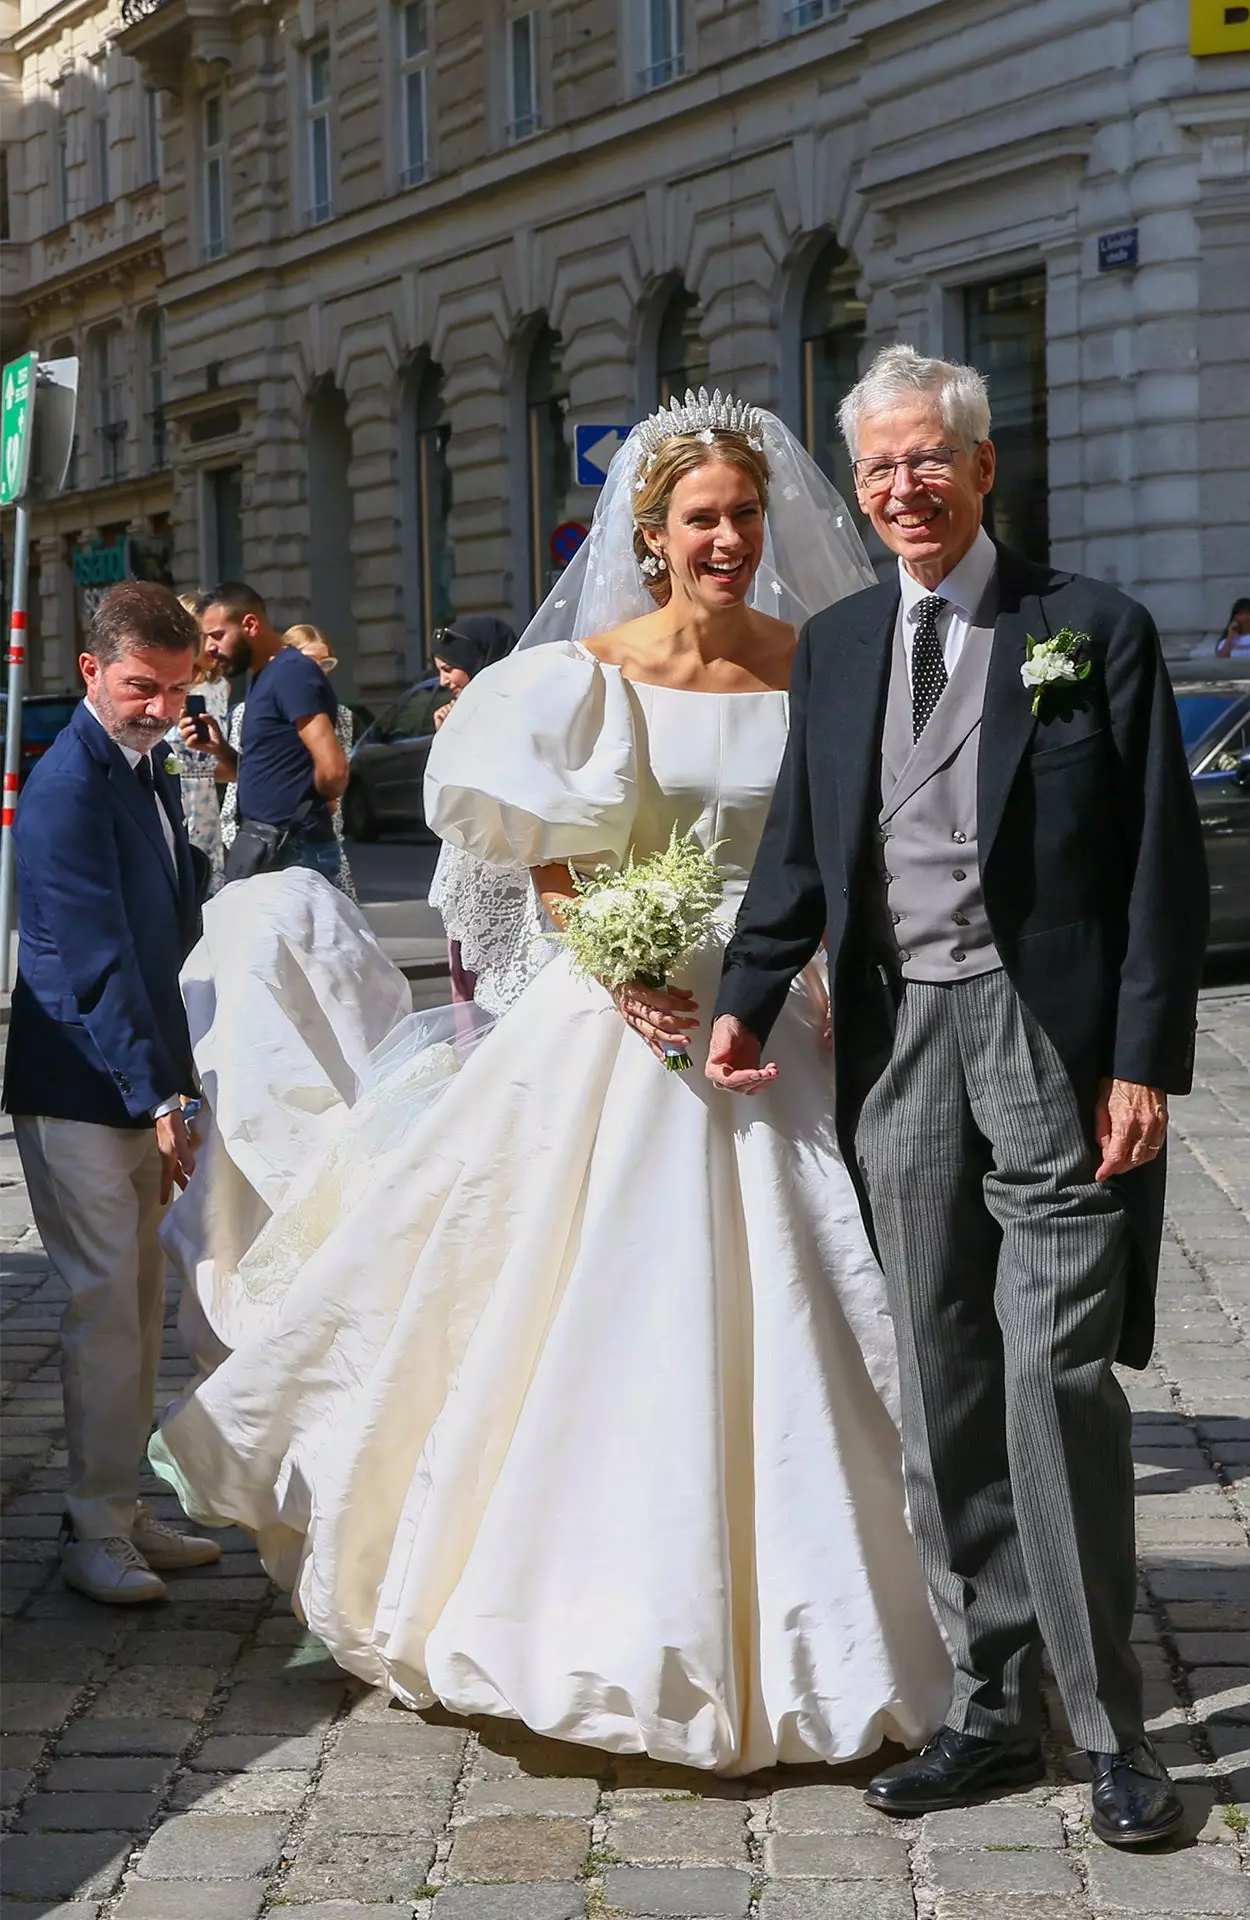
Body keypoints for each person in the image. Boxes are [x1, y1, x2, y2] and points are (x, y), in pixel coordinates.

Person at [149, 389, 954, 1774]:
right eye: (702, 517)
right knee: (577, 1305)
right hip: (620, 1029)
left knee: (808, 1298)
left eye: (746, 516)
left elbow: (841, 840)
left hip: (769, 1024)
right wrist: (620, 957)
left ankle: (848, 1616)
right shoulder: (585, 676)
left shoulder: (818, 657)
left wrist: (803, 972)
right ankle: (567, 1613)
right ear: (652, 533)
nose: (728, 538)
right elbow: (556, 856)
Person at [710, 346, 1209, 1843]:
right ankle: (994, 1707)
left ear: (985, 469)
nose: (904, 488)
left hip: (1052, 1046)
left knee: (1055, 1382)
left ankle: (1110, 1726)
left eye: (929, 460)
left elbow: (1155, 873)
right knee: (940, 1385)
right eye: (878, 469)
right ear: (856, 493)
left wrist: (1141, 1060)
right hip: (900, 1037)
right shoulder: (846, 641)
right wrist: (745, 997)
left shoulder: (1091, 631)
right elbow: (802, 845)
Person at [2, 581, 222, 1603]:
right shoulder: (67, 787)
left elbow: (162, 943)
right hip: (80, 1085)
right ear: (91, 670)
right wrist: (159, 1099)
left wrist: (178, 1082)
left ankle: (122, 1509)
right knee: (104, 1312)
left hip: (133, 1079)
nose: (163, 709)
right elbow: (91, 964)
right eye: (145, 687)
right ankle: (96, 1527)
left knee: (137, 1307)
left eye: (179, 690)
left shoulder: (139, 767)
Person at [179, 582, 348, 885]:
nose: (210, 649)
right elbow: (266, 770)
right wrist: (221, 750)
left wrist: (301, 813)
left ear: (250, 625)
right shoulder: (265, 676)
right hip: (269, 846)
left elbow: (333, 770)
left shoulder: (292, 672)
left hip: (294, 850)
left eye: (217, 636)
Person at [425, 615, 522, 1003]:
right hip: (467, 859)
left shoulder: (513, 708)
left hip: (503, 859)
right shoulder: (459, 711)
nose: (444, 681)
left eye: (450, 668)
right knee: (464, 965)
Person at [280, 624, 357, 900]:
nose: (320, 671)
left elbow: (339, 778)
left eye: (326, 663)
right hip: (277, 838)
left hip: (324, 835)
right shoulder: (261, 707)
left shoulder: (341, 715)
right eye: (311, 662)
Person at [167, 592, 230, 893]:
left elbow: (227, 770)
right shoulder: (161, 686)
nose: (214, 646)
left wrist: (217, 752)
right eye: (207, 636)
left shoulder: (219, 686)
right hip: (167, 805)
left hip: (205, 812)